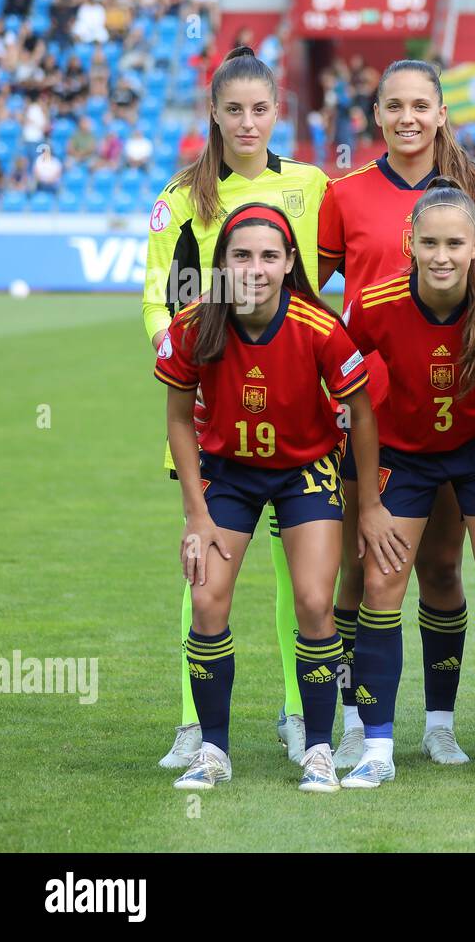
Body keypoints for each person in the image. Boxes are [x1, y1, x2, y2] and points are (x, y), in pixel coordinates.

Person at [155, 203, 396, 791]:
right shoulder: (194, 326)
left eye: (269, 255)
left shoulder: (318, 326)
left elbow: (361, 416)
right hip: (229, 473)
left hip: (304, 470)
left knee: (315, 602)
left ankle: (316, 748)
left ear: (290, 262)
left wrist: (368, 505)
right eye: (241, 255)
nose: (255, 267)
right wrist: (195, 513)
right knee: (207, 600)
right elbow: (181, 420)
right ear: (222, 263)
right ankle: (213, 750)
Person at [316, 58, 475, 769]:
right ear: (376, 114)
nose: (407, 117)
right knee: (358, 569)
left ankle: (439, 723)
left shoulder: (472, 192)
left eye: (420, 104)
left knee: (442, 566)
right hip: (369, 416)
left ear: (439, 112)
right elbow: (316, 297)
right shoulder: (346, 193)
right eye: (393, 104)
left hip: (455, 410)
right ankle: (352, 722)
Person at [141, 46, 330, 770]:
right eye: (233, 110)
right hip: (215, 419)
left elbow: (322, 287)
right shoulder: (184, 198)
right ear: (213, 114)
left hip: (298, 418)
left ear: (277, 111)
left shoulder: (310, 185)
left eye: (260, 109)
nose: (247, 122)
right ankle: (195, 725)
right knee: (205, 567)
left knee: (301, 578)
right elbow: (162, 299)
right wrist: (190, 376)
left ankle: (295, 711)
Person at [339, 177, 475, 790]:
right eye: (429, 242)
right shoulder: (375, 304)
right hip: (403, 457)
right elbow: (336, 371)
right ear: (409, 243)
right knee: (382, 581)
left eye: (455, 244)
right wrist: (371, 502)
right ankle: (376, 748)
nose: (441, 256)